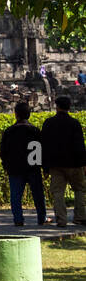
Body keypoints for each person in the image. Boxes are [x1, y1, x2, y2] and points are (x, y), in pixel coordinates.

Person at [40, 94, 86, 227]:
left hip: (56, 164)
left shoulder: (49, 123)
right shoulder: (75, 123)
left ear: (57, 107)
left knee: (58, 192)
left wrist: (45, 167)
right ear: (69, 107)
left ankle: (61, 219)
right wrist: (84, 163)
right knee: (80, 190)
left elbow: (44, 146)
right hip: (74, 164)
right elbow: (80, 145)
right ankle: (80, 217)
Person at [0, 101, 46, 226]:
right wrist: (43, 166)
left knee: (16, 196)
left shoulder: (9, 131)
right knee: (38, 195)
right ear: (29, 114)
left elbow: (3, 152)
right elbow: (42, 150)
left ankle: (18, 219)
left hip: (15, 168)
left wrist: (6, 165)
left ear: (16, 114)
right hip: (33, 167)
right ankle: (42, 218)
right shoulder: (35, 130)